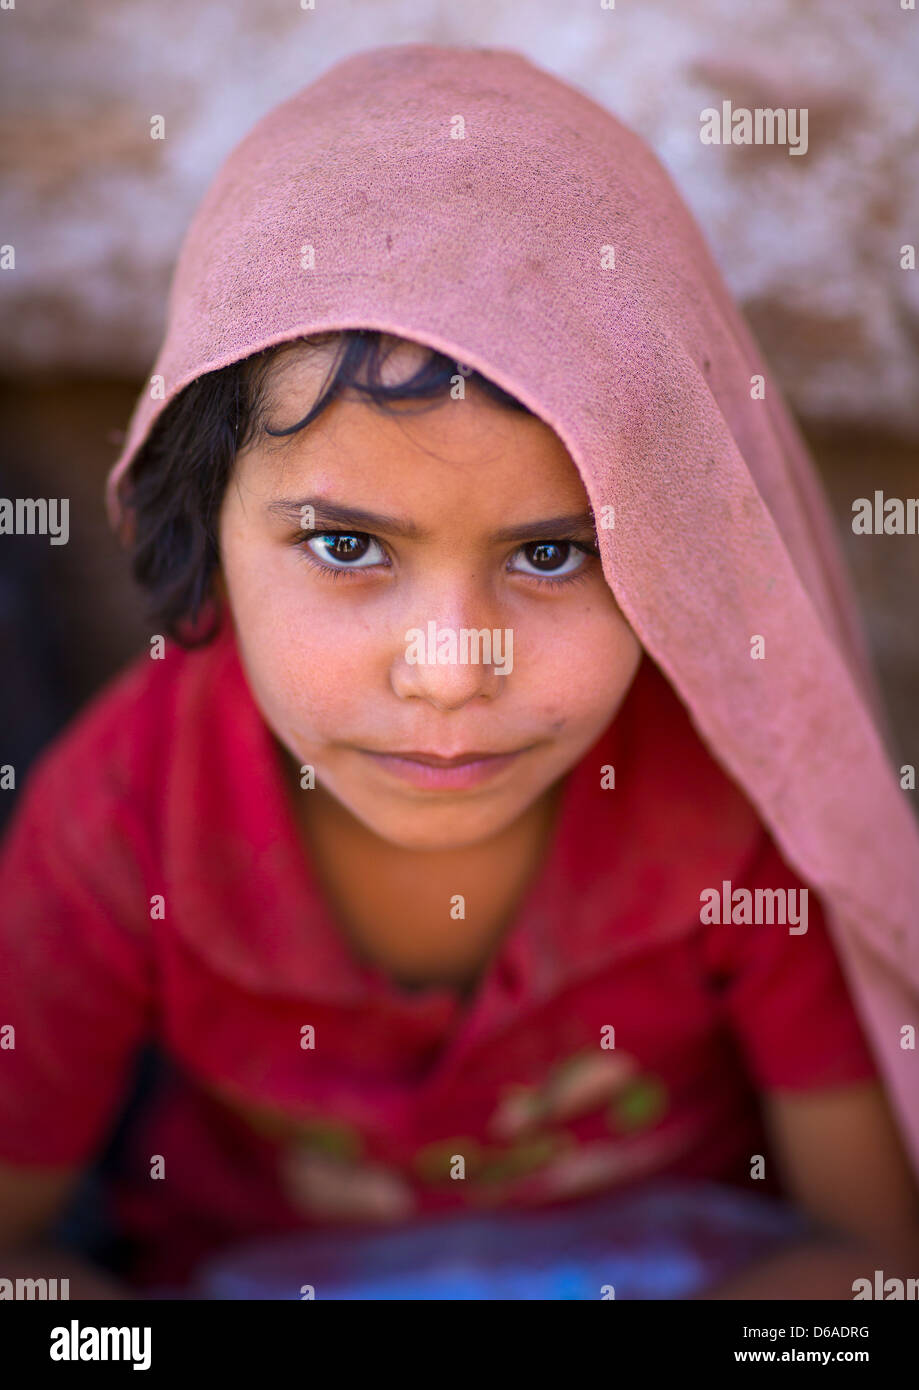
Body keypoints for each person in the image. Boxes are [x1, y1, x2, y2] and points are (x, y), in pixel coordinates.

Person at [1, 44, 917, 1301]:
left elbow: (874, 1272)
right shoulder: (114, 825)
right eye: (346, 544)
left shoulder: (743, 805)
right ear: (199, 520)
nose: (447, 670)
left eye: (550, 553)